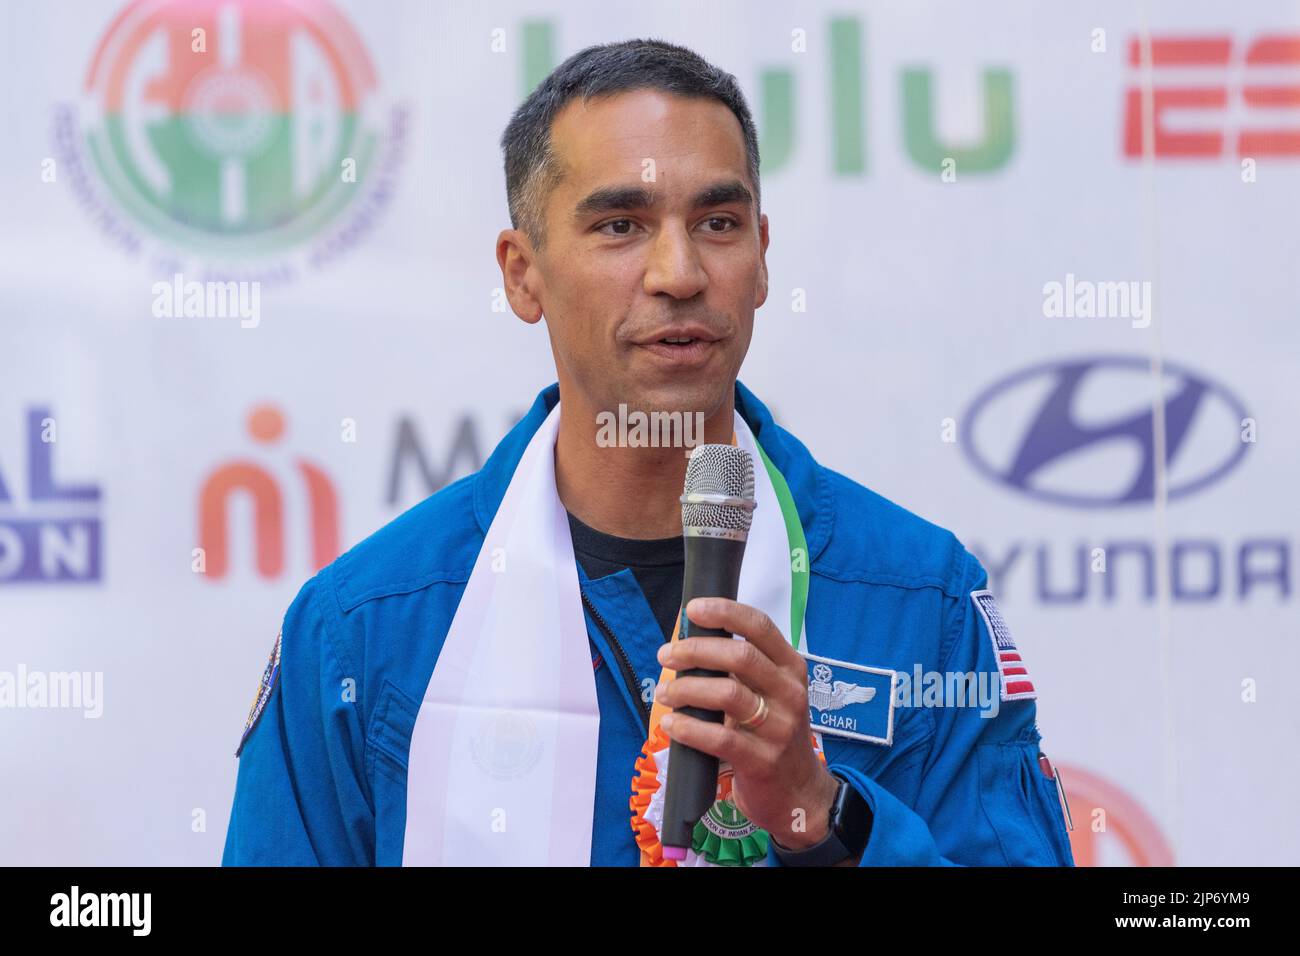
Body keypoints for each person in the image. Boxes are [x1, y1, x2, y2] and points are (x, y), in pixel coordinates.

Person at [221, 38, 1075, 867]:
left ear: (764, 259)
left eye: (718, 221)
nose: (679, 272)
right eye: (622, 224)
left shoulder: (920, 597)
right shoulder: (366, 627)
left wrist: (824, 812)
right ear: (523, 274)